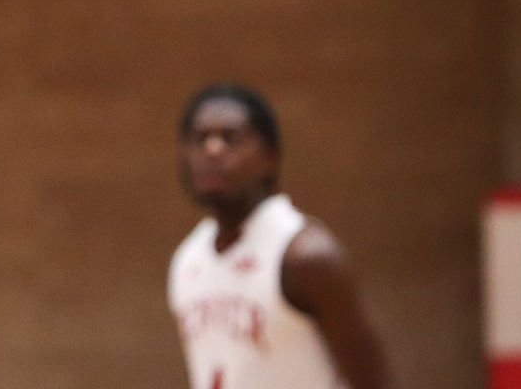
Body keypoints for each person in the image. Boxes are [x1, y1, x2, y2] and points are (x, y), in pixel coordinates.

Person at [168, 84, 393, 389]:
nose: (213, 150)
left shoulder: (307, 256)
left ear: (269, 157)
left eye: (231, 138)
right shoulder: (187, 258)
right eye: (199, 139)